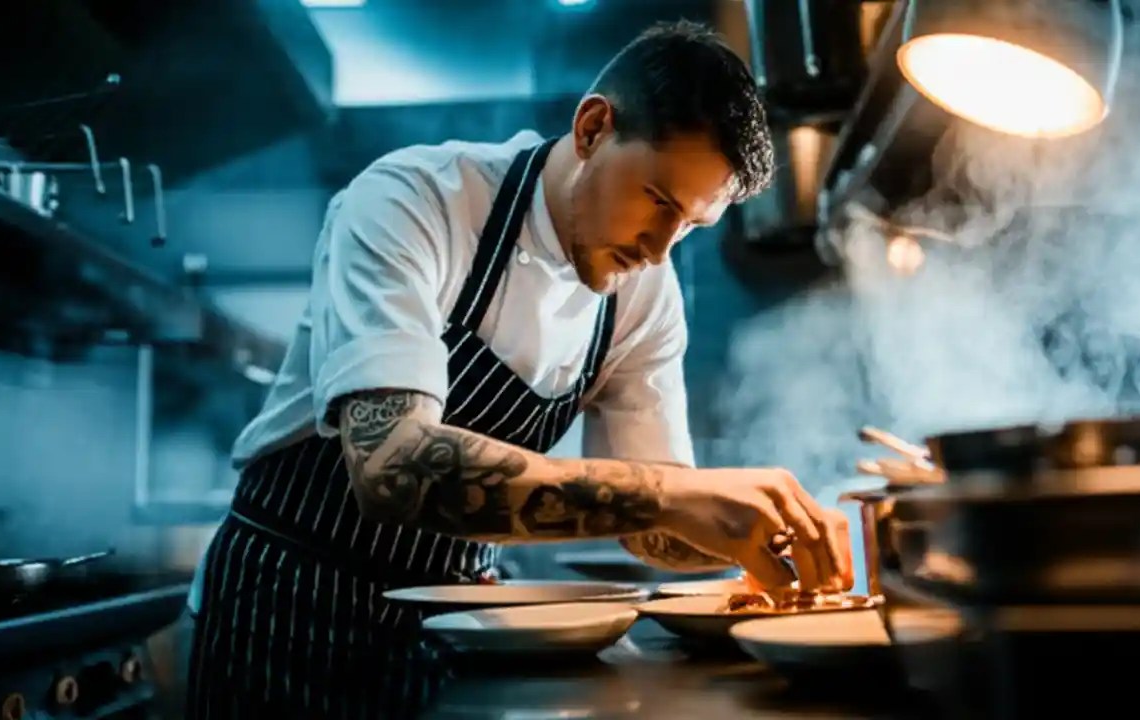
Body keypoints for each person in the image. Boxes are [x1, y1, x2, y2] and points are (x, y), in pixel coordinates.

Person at [186, 19, 852, 719]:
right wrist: (673, 496)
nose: (660, 249)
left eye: (690, 224)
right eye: (658, 200)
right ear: (593, 128)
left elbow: (650, 529)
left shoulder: (643, 298)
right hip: (289, 606)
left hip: (463, 624)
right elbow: (391, 466)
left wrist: (755, 534)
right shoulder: (413, 202)